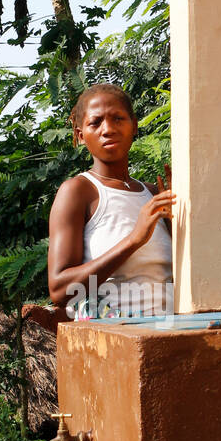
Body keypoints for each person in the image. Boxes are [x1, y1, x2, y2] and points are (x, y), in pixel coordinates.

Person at [48, 83, 176, 320]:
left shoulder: (152, 194)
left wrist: (181, 222)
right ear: (80, 135)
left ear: (134, 125)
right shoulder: (78, 191)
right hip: (111, 345)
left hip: (170, 335)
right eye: (95, 122)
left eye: (118, 118)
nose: (108, 129)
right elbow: (58, 290)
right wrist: (134, 240)